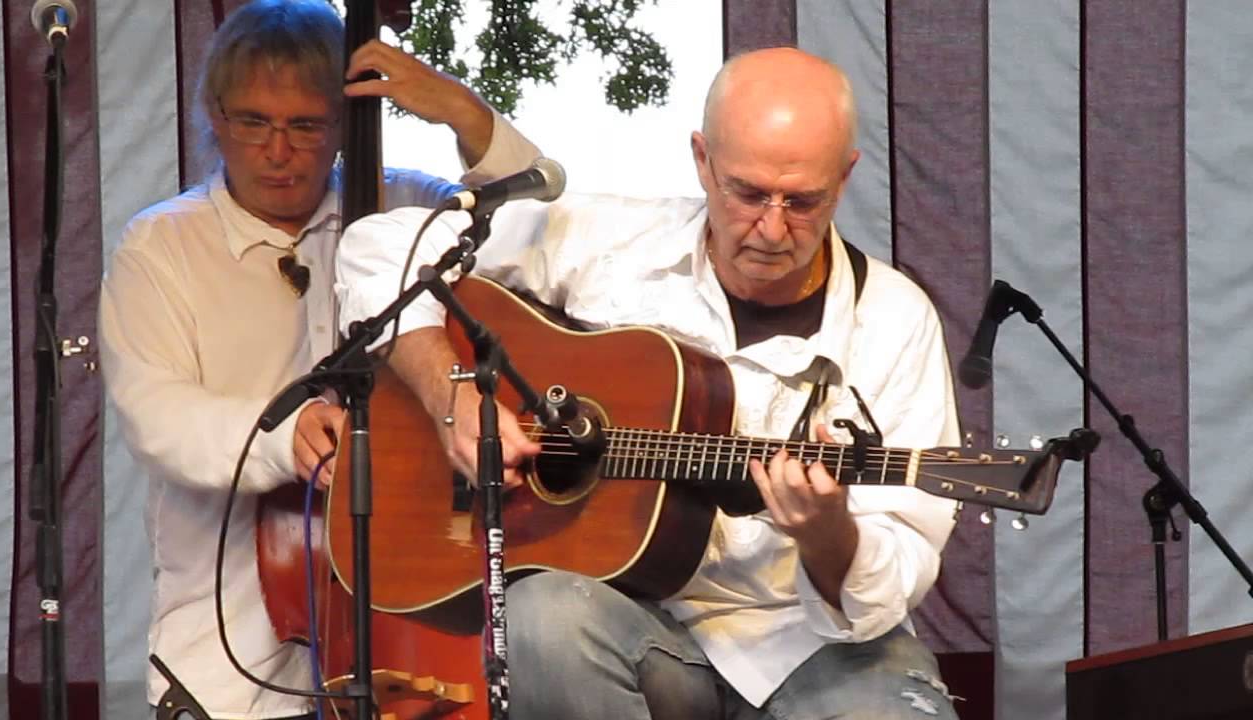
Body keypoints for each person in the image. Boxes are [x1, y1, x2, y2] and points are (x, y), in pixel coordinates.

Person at [335, 47, 961, 719]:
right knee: (541, 618)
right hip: (633, 621)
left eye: (803, 201)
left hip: (811, 646)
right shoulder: (614, 239)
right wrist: (450, 397)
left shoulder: (895, 319)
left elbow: (897, 566)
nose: (774, 229)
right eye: (747, 192)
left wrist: (829, 535)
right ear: (701, 159)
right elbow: (384, 248)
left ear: (845, 177)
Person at [97, 0, 542, 717]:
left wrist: (465, 115)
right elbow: (158, 416)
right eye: (253, 122)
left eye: (306, 125)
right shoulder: (160, 248)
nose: (278, 151)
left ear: (344, 124)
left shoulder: (402, 206)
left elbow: (535, 218)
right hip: (230, 652)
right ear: (215, 115)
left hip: (413, 640)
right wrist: (284, 433)